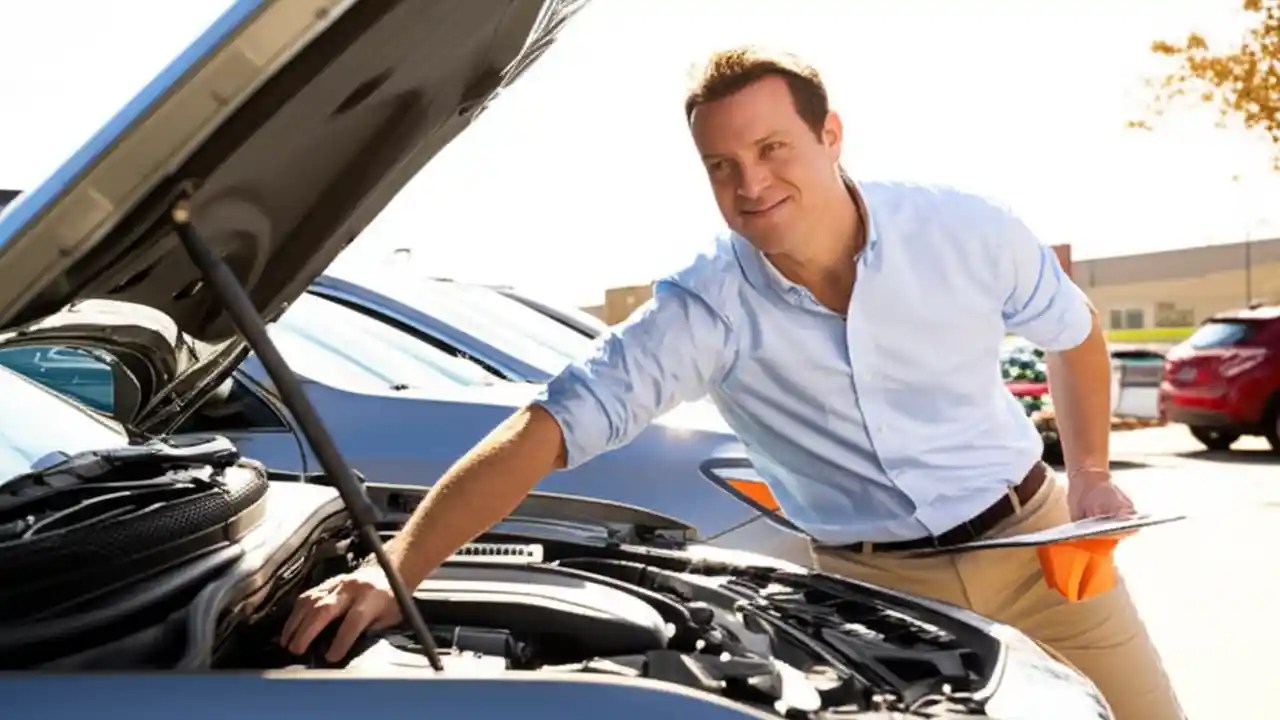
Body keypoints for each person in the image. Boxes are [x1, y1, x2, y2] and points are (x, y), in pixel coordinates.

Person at [280, 46, 1183, 719]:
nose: (750, 184)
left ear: (831, 135)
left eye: (773, 147)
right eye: (722, 164)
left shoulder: (965, 232)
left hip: (1039, 548)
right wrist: (394, 568)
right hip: (886, 598)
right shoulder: (705, 310)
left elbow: (1076, 334)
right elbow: (545, 430)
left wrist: (1093, 469)